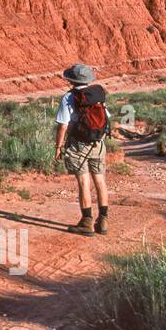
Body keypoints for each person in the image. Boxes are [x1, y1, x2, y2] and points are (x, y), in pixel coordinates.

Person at [53, 62, 111, 235]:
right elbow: (107, 118)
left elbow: (63, 126)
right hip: (98, 144)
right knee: (100, 181)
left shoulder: (69, 97)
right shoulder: (97, 94)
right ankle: (103, 221)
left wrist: (58, 146)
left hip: (78, 145)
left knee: (84, 182)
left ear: (71, 80)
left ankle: (86, 222)